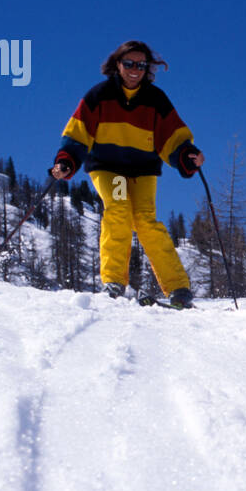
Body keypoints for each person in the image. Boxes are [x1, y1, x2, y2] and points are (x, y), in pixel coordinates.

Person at [50, 40, 204, 308]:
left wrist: (186, 155)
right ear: (117, 65)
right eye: (129, 64)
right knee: (119, 208)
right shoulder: (99, 96)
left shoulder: (156, 100)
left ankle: (178, 288)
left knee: (146, 220)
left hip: (143, 171)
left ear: (147, 68)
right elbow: (78, 134)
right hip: (112, 171)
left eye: (141, 65)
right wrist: (66, 161)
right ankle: (113, 282)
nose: (135, 70)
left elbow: (173, 137)